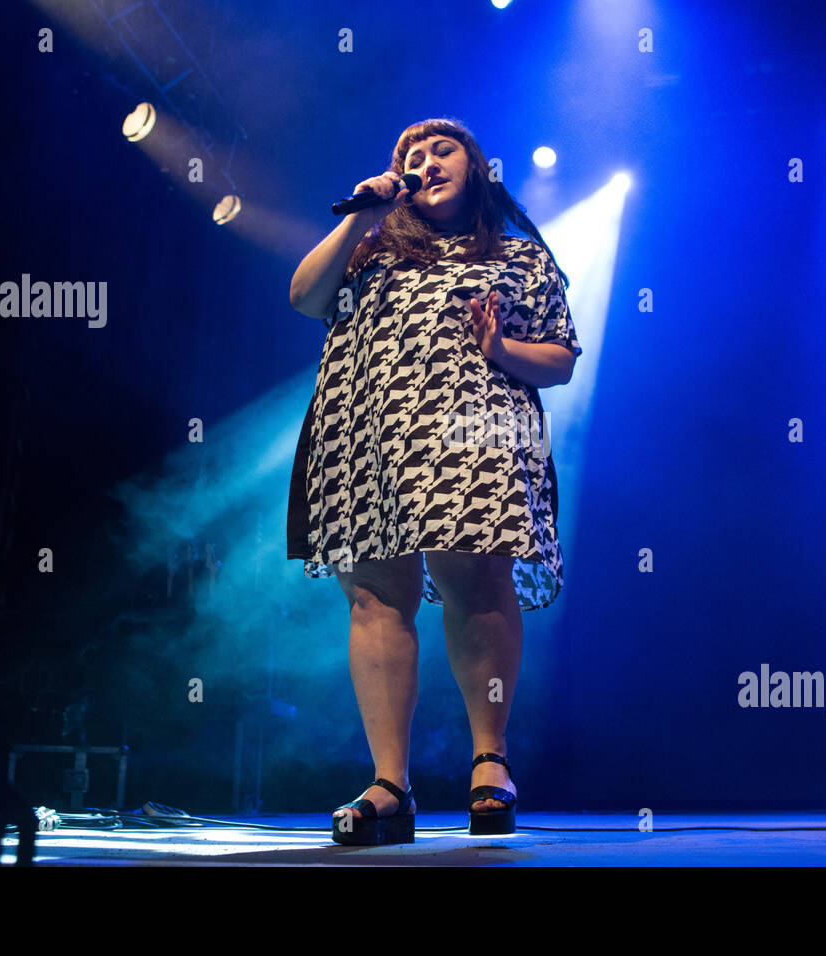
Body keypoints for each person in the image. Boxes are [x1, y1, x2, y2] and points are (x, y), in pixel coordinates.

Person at [286, 117, 582, 844]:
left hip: (471, 428)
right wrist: (363, 213)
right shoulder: (369, 248)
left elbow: (562, 358)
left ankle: (490, 762)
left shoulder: (519, 257)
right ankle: (391, 784)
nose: (424, 160)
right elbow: (303, 296)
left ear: (477, 167)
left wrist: (500, 345)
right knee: (376, 596)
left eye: (441, 149)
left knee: (475, 579)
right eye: (410, 155)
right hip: (365, 429)